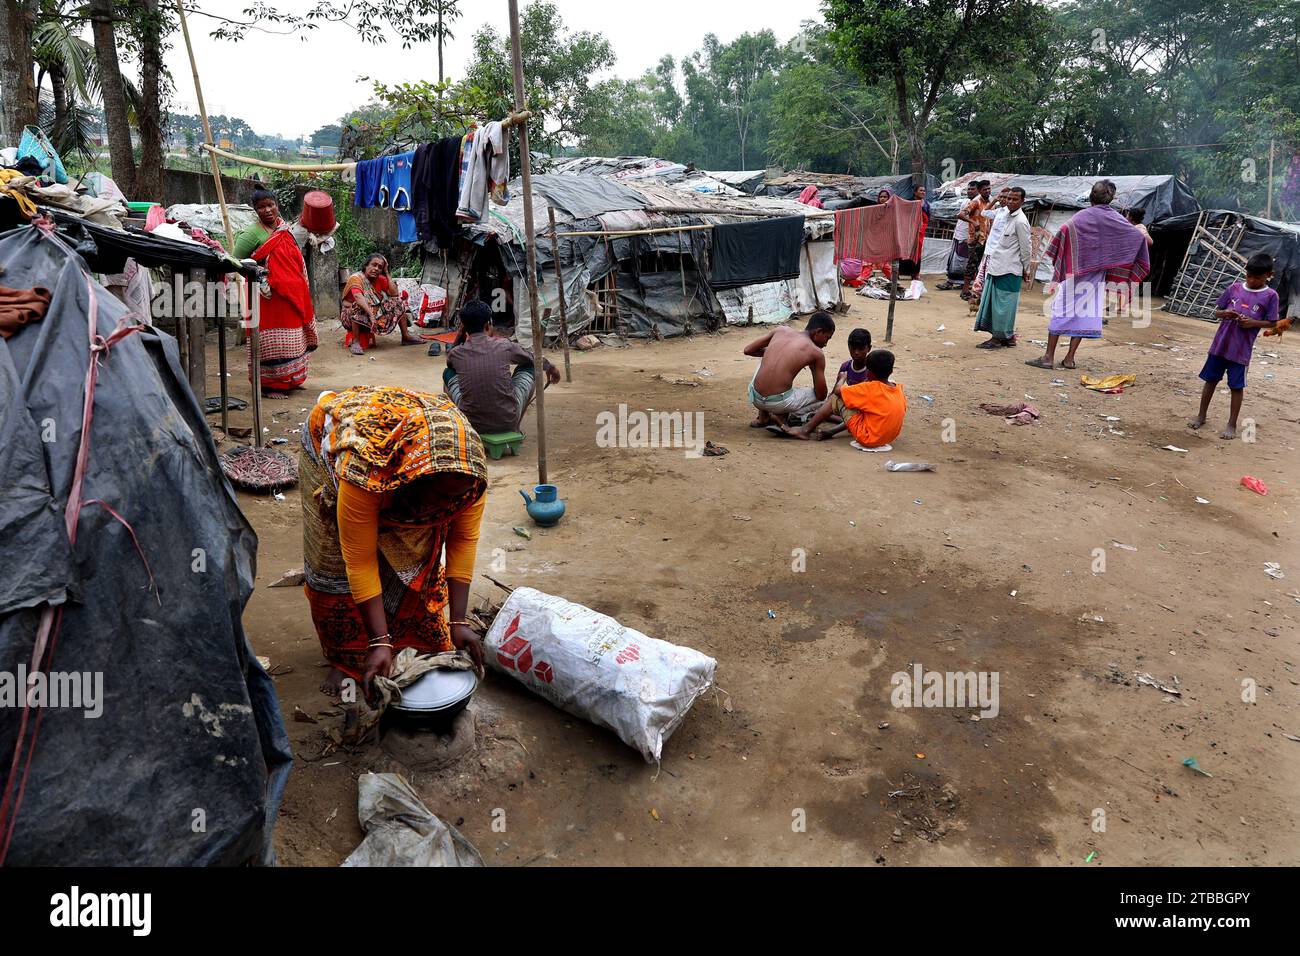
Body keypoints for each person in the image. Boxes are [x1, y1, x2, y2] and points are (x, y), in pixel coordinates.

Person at [299, 385, 489, 701]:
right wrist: (378, 641)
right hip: (333, 441)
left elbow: (463, 541)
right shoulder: (364, 471)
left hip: (407, 452)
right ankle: (348, 657)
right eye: (441, 496)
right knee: (333, 559)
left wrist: (458, 621)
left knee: (414, 556)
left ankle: (400, 639)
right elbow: (358, 561)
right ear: (414, 479)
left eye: (456, 498)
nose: (449, 506)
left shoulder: (469, 475)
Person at [1027, 180, 1151, 370]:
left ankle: (1048, 357)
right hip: (1096, 276)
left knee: (1061, 309)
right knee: (1086, 312)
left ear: (1091, 196)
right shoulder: (1116, 219)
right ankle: (1069, 358)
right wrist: (1140, 230)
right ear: (1112, 198)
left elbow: (1063, 232)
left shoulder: (1081, 217)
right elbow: (1142, 240)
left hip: (1074, 273)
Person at [233, 189, 317, 396]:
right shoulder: (252, 234)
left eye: (270, 204)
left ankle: (292, 379)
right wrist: (261, 275)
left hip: (291, 297)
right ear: (255, 210)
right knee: (272, 344)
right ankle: (270, 386)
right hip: (266, 298)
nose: (267, 210)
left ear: (276, 205)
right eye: (261, 207)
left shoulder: (284, 229)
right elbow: (234, 262)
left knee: (293, 341)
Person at [1189, 253, 1279, 440]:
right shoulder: (1234, 288)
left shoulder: (1271, 295)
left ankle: (1231, 424)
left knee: (1236, 387)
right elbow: (1217, 312)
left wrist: (1252, 323)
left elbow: (1272, 322)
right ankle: (1201, 415)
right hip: (1220, 345)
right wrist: (1227, 313)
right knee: (1210, 381)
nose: (1252, 281)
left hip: (1240, 350)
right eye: (1249, 276)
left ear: (1269, 275)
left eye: (1258, 277)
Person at [443, 299, 558, 434]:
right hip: (508, 420)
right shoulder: (504, 345)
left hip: (471, 423)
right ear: (488, 324)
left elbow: (450, 364)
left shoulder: (456, 353)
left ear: (463, 327)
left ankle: (460, 425)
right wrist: (550, 367)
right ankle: (515, 428)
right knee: (530, 366)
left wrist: (461, 334)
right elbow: (535, 359)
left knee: (448, 373)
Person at [785, 349, 907, 451]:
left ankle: (805, 430)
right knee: (861, 405)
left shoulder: (870, 388)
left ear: (869, 373)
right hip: (887, 438)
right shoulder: (898, 389)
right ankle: (829, 430)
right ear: (891, 371)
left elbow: (838, 392)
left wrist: (842, 379)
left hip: (868, 438)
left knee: (836, 399)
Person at [745, 311, 835, 429]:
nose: (826, 344)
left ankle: (763, 417)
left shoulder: (781, 330)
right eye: (827, 338)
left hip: (755, 397)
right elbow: (821, 394)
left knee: (764, 362)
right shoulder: (816, 353)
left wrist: (773, 352)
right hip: (778, 403)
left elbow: (748, 350)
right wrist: (813, 365)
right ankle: (781, 416)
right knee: (822, 400)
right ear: (818, 332)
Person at [973, 186, 1032, 348]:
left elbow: (1026, 249)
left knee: (1003, 306)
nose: (1011, 202)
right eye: (1010, 199)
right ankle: (1007, 337)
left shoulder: (1021, 222)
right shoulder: (1004, 214)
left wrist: (1026, 270)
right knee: (995, 304)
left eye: (1015, 199)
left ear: (1022, 201)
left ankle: (998, 338)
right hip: (996, 266)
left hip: (1009, 269)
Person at [340, 253, 424, 355]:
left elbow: (394, 294)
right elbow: (358, 297)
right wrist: (371, 315)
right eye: (373, 265)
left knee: (398, 302)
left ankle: (406, 336)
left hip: (373, 315)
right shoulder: (356, 278)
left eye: (380, 267)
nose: (376, 269)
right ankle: (356, 342)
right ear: (366, 266)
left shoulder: (380, 279)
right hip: (351, 316)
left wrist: (387, 273)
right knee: (357, 305)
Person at [938, 182, 980, 290]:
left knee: (963, 261)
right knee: (954, 259)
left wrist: (972, 236)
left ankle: (955, 282)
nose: (969, 191)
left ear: (978, 190)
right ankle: (953, 281)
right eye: (968, 189)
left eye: (972, 189)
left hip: (967, 236)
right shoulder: (966, 201)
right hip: (958, 234)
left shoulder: (979, 203)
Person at [959, 180, 993, 299]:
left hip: (987, 239)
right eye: (985, 189)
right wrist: (973, 222)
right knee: (971, 265)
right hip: (975, 239)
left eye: (989, 188)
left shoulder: (991, 202)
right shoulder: (975, 202)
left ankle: (977, 290)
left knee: (982, 266)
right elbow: (961, 214)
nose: (988, 191)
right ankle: (964, 291)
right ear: (979, 191)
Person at [898, 182, 930, 277]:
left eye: (924, 191)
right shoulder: (908, 203)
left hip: (920, 231)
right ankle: (901, 271)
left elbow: (927, 218)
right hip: (908, 231)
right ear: (915, 192)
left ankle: (915, 273)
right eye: (921, 190)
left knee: (917, 251)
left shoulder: (926, 204)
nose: (923, 192)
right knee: (905, 250)